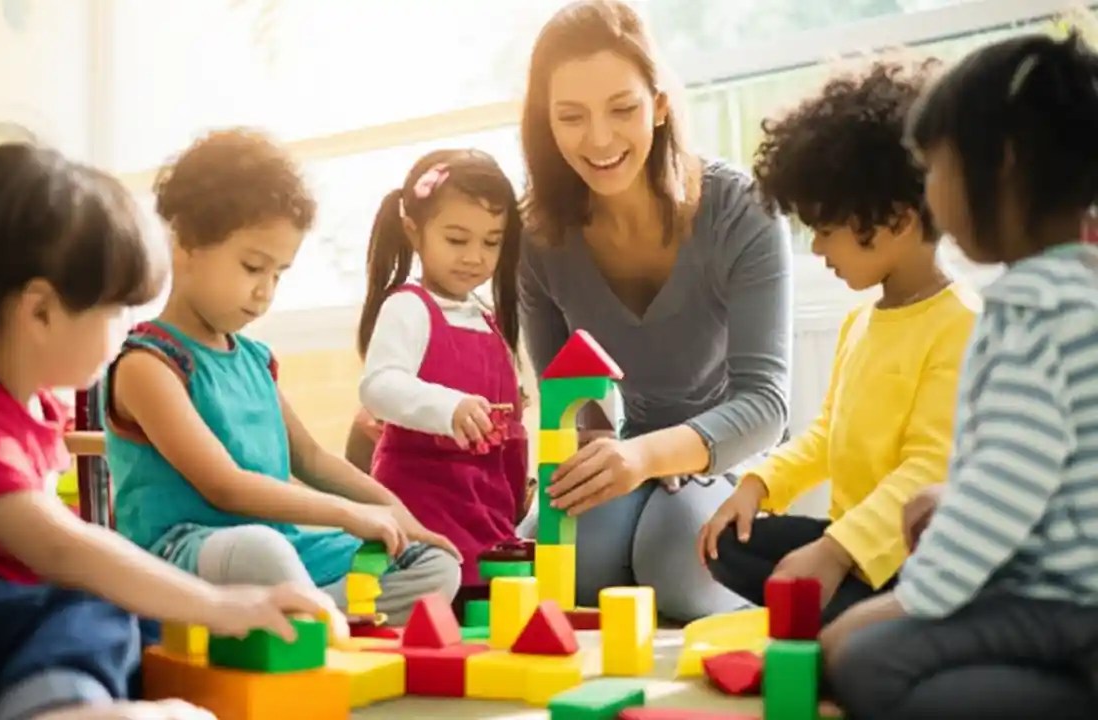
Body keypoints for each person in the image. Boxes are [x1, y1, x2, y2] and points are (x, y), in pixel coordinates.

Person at [0, 142, 341, 720]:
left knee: (140, 619)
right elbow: (59, 547)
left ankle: (91, 694)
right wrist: (218, 602)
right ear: (40, 311)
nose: (128, 328)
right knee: (85, 612)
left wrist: (205, 610)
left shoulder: (32, 407)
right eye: (117, 310)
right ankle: (63, 710)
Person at [823, 32, 1098, 720]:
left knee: (860, 660)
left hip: (1065, 604)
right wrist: (955, 495)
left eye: (935, 171)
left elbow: (1012, 473)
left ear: (1001, 167)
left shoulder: (1033, 313)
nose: (931, 199)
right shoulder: (1075, 294)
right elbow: (1047, 468)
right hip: (1060, 588)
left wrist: (904, 601)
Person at [105, 130, 461, 625]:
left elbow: (312, 458)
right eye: (253, 266)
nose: (265, 291)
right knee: (260, 551)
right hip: (186, 557)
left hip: (277, 544)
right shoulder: (148, 365)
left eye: (279, 273)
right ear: (185, 243)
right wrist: (343, 513)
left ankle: (304, 619)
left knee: (433, 564)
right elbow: (225, 487)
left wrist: (394, 511)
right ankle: (308, 618)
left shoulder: (254, 360)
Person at [516, 0, 793, 620]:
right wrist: (601, 447)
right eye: (571, 116)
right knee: (559, 566)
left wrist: (652, 454)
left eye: (623, 108)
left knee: (677, 567)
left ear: (661, 103)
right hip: (628, 450)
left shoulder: (740, 210)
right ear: (546, 121)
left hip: (733, 450)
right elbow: (569, 397)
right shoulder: (537, 234)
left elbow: (766, 405)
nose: (600, 139)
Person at [696, 59, 978, 623]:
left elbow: (928, 470)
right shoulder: (862, 325)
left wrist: (834, 550)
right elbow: (828, 436)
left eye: (826, 231)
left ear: (896, 220)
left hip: (918, 556)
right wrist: (759, 482)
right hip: (851, 545)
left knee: (854, 595)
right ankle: (841, 603)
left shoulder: (960, 325)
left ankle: (871, 611)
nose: (820, 251)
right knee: (729, 544)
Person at [356, 149, 528, 592]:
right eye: (457, 239)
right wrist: (447, 407)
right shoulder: (409, 307)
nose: (475, 256)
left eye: (491, 242)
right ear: (415, 230)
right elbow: (379, 385)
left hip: (485, 508)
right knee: (438, 596)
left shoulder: (488, 318)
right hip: (421, 503)